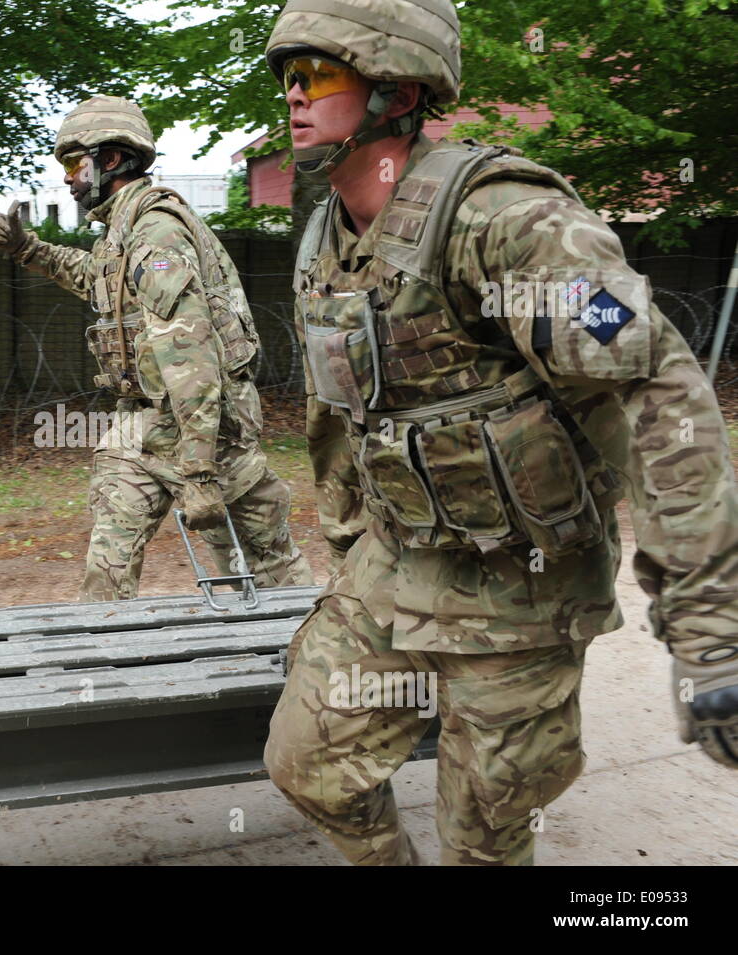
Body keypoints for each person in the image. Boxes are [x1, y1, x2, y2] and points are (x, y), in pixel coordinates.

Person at [260, 0, 738, 865]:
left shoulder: (505, 220)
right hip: (393, 567)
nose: (293, 97)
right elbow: (340, 418)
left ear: (395, 91)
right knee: (309, 762)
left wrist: (709, 631)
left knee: (485, 830)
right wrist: (348, 555)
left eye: (317, 73)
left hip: (521, 586)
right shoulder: (329, 237)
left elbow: (656, 397)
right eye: (286, 77)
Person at [0, 95, 313, 601]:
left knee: (264, 575)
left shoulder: (156, 230)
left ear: (110, 160)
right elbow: (98, 276)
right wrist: (28, 249)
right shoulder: (124, 228)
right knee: (106, 573)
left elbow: (191, 355)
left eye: (74, 164)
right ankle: (101, 662)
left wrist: (199, 470)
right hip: (140, 432)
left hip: (206, 435)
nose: (69, 178)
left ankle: (298, 651)